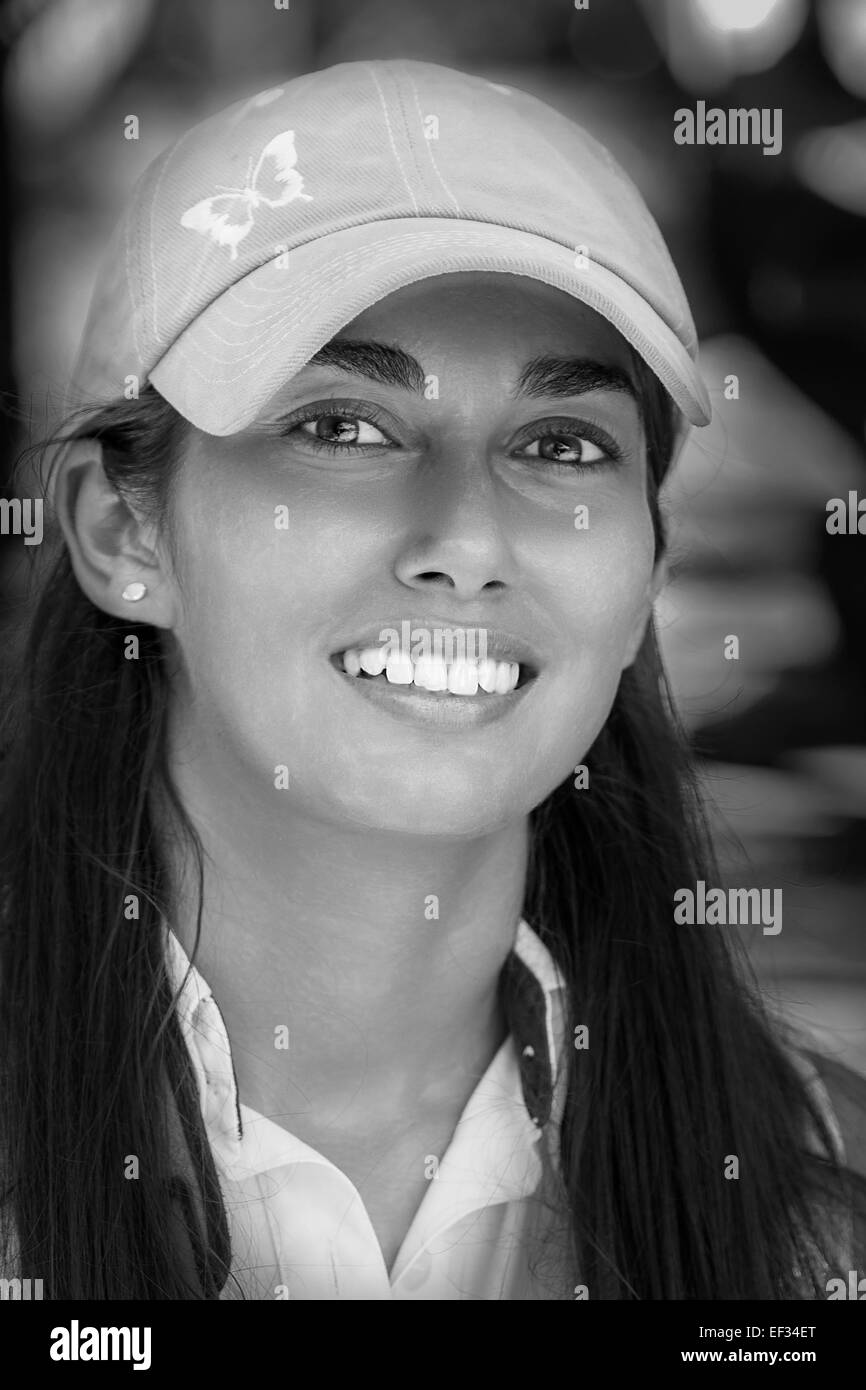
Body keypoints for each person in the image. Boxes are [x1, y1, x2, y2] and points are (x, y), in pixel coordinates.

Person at [1, 58, 864, 1301]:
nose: (464, 540)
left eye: (558, 444)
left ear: (642, 569)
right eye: (341, 427)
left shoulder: (820, 1205)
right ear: (124, 533)